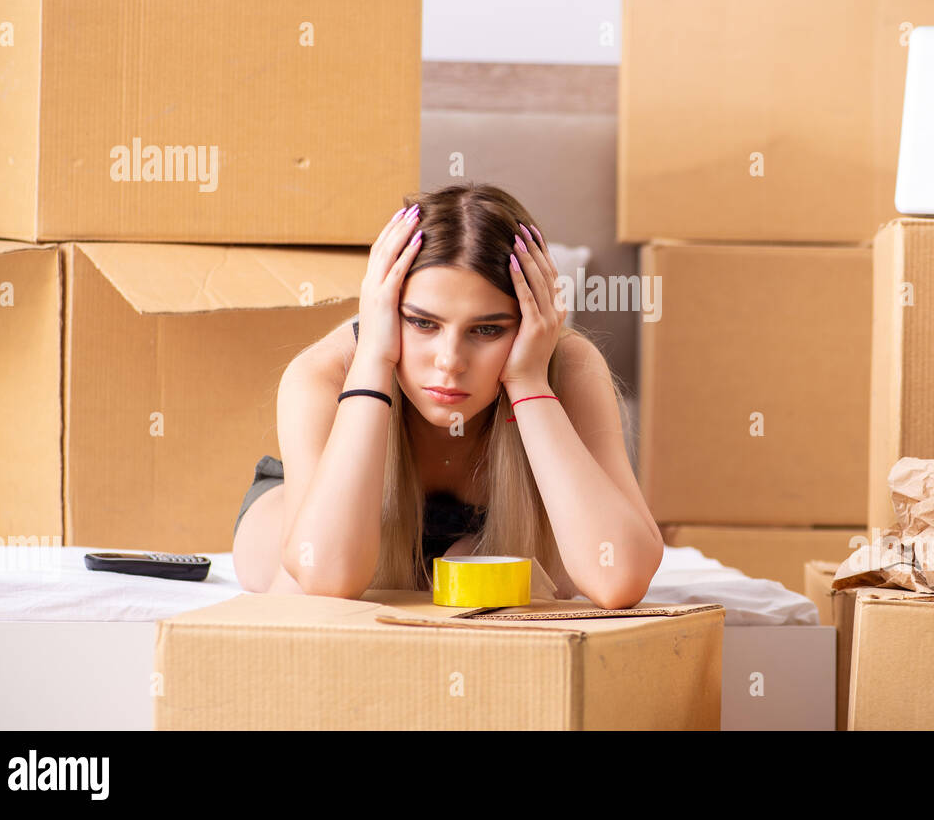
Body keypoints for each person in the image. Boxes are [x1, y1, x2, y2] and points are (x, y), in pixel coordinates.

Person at [231, 183, 662, 608]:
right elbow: (328, 575)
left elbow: (619, 577)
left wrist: (529, 384)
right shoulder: (323, 373)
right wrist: (373, 361)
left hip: (496, 524)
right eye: (423, 323)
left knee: (488, 572)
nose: (450, 361)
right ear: (385, 308)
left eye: (487, 329)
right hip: (337, 508)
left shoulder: (568, 367)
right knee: (297, 582)